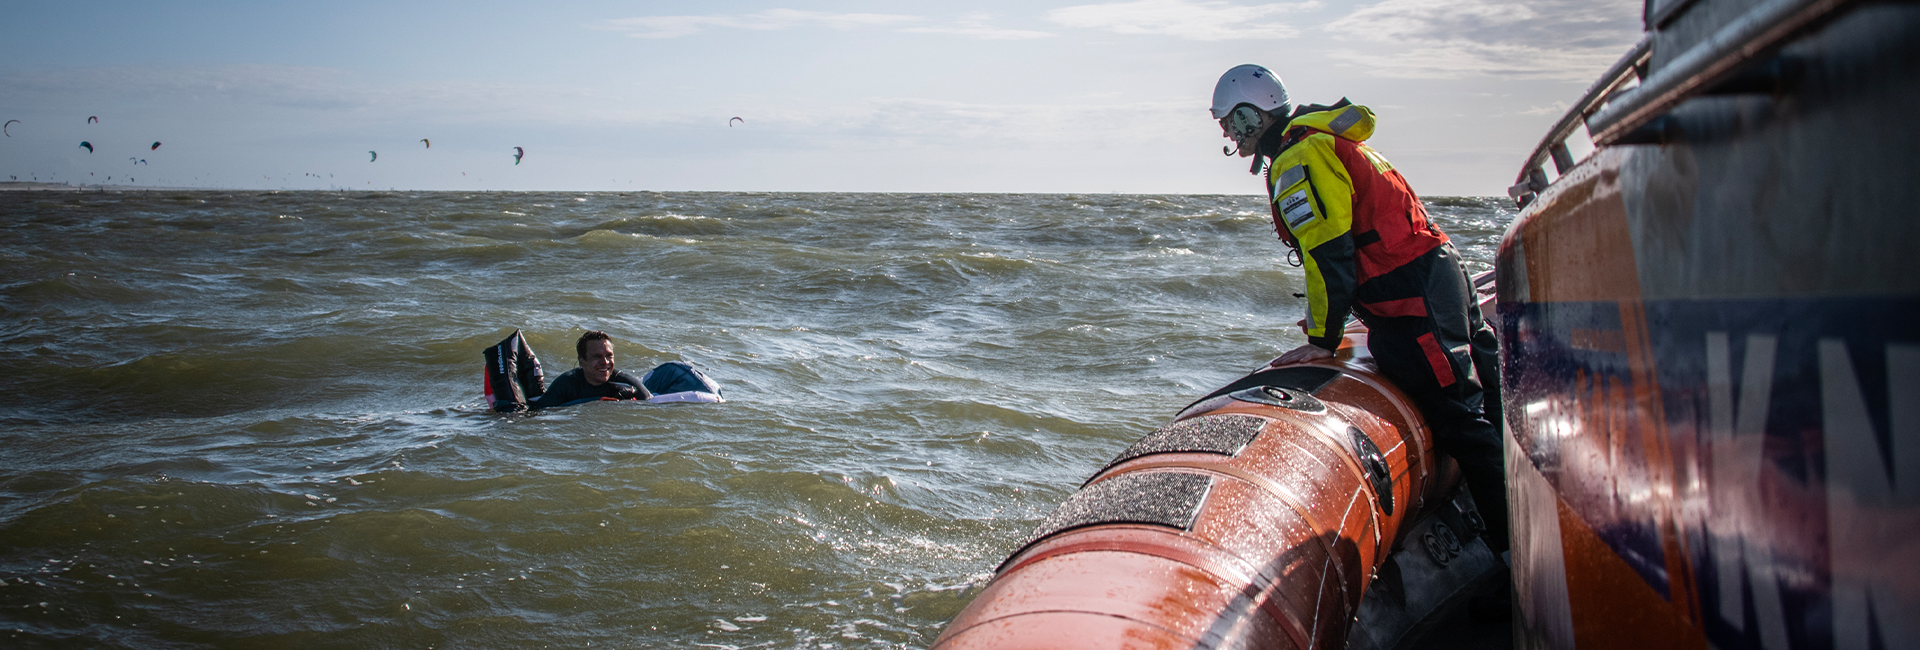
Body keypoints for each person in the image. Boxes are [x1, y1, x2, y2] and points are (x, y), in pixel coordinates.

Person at [1211, 64, 1508, 553]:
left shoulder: (1297, 159)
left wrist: (1322, 342)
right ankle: (1527, 525)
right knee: (1488, 398)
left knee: (1462, 420)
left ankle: (1517, 560)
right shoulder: (1323, 137)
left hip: (1415, 296)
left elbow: (1330, 257)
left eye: (1228, 122)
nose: (1227, 134)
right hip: (1439, 275)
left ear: (1250, 117)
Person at [529, 330, 653, 409]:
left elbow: (651, 404)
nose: (605, 362)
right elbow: (540, 413)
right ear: (582, 361)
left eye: (609, 356)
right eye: (597, 357)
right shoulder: (565, 384)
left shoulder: (625, 382)